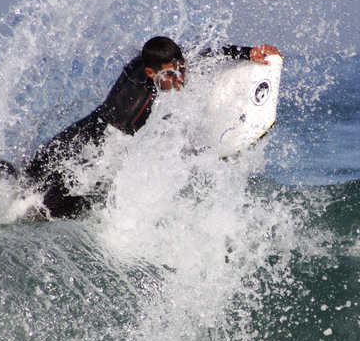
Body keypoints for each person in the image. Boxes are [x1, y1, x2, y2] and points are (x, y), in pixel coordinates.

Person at [22, 36, 280, 218]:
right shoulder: (135, 101)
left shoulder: (160, 63)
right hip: (87, 146)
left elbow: (203, 50)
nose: (179, 79)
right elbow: (117, 148)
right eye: (170, 74)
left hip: (86, 134)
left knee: (28, 188)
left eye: (181, 69)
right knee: (45, 204)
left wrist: (247, 52)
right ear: (149, 72)